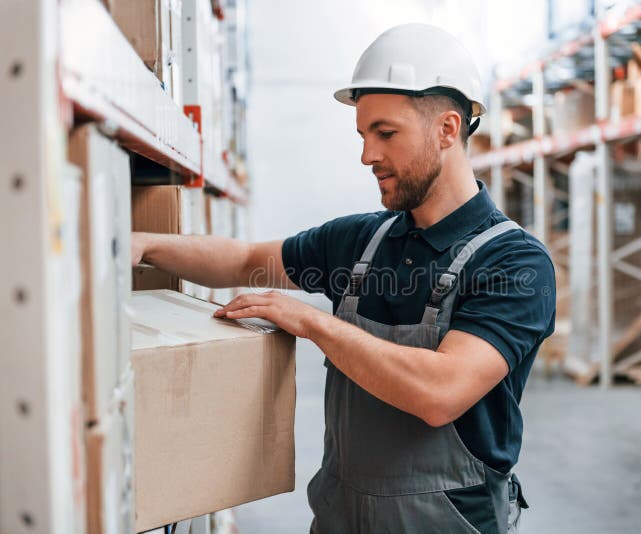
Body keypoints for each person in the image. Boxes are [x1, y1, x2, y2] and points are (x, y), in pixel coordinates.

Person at [132, 23, 556, 534]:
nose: (367, 156)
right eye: (362, 135)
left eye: (386, 133)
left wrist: (313, 323)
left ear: (447, 130)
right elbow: (244, 260)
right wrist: (144, 245)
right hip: (342, 518)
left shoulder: (514, 264)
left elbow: (440, 392)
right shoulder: (361, 242)